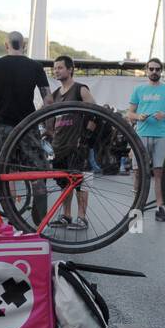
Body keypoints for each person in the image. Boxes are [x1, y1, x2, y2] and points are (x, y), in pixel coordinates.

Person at [0, 31, 51, 221]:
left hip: (3, 125)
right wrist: (47, 126)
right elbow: (48, 100)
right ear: (24, 45)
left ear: (6, 45)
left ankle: (11, 218)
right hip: (28, 124)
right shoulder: (35, 66)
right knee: (38, 173)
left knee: (4, 173)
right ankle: (39, 222)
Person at [47, 54, 97, 230]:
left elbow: (95, 112)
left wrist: (85, 137)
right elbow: (45, 116)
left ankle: (81, 218)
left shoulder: (80, 89)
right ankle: (66, 216)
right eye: (55, 68)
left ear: (70, 69)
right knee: (64, 182)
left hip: (77, 144)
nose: (56, 70)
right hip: (59, 145)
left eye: (60, 67)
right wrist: (51, 134)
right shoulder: (55, 95)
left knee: (80, 182)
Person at [126, 57, 165, 221]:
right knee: (138, 172)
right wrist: (138, 116)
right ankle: (136, 207)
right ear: (146, 70)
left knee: (159, 174)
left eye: (157, 69)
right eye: (151, 69)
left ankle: (159, 208)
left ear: (161, 71)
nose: (154, 72)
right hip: (141, 134)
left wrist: (164, 115)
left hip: (161, 135)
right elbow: (130, 113)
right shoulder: (138, 89)